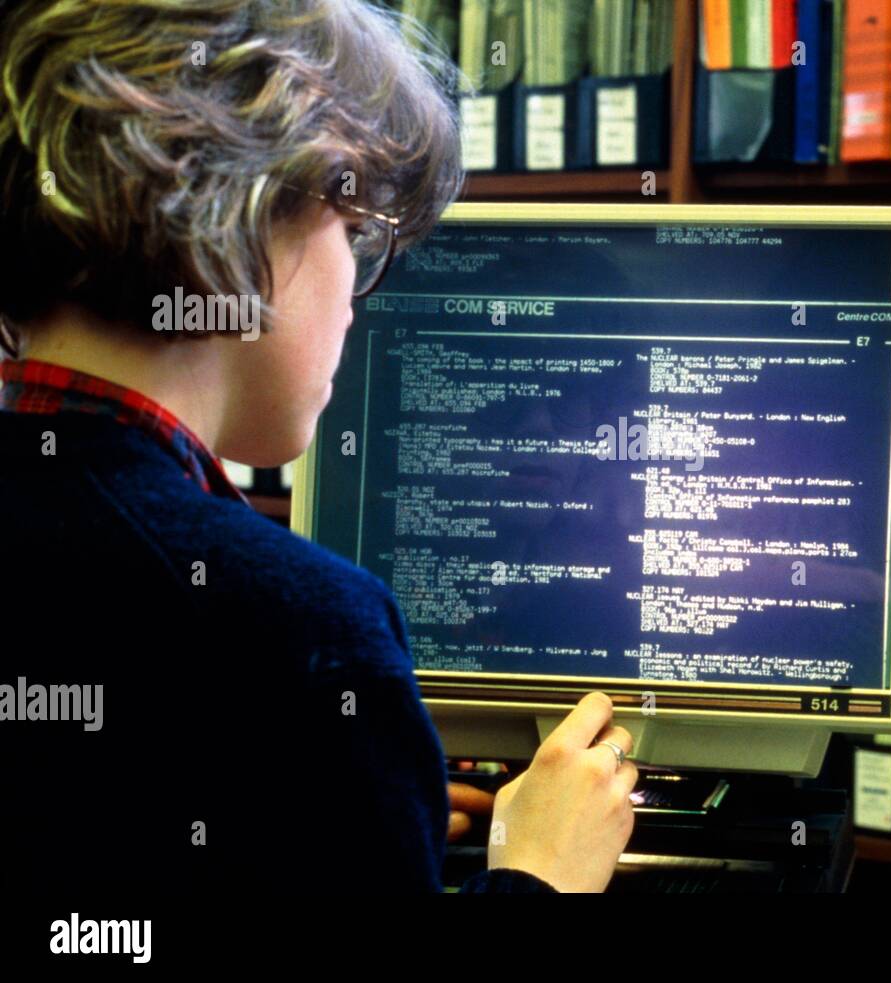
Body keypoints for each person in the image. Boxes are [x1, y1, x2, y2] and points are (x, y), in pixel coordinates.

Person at [0, 0, 635, 894]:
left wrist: (367, 799)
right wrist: (539, 874)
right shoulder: (302, 633)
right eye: (357, 232)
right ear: (243, 219)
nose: (355, 294)